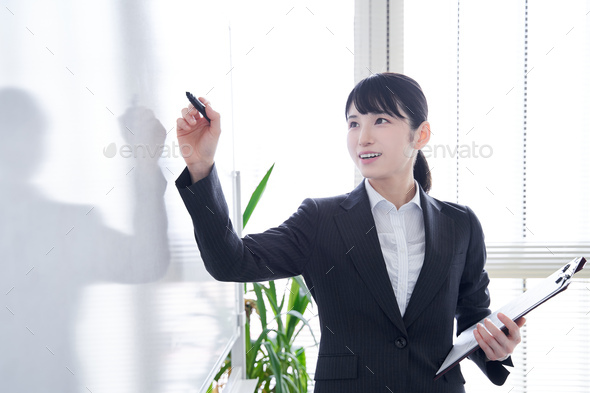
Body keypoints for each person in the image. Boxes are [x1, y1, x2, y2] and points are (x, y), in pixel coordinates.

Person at [174, 72, 525, 393]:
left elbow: (473, 317)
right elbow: (231, 262)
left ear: (421, 134)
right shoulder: (320, 219)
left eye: (381, 120)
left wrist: (495, 347)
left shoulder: (460, 223)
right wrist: (200, 165)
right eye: (354, 123)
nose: (363, 137)